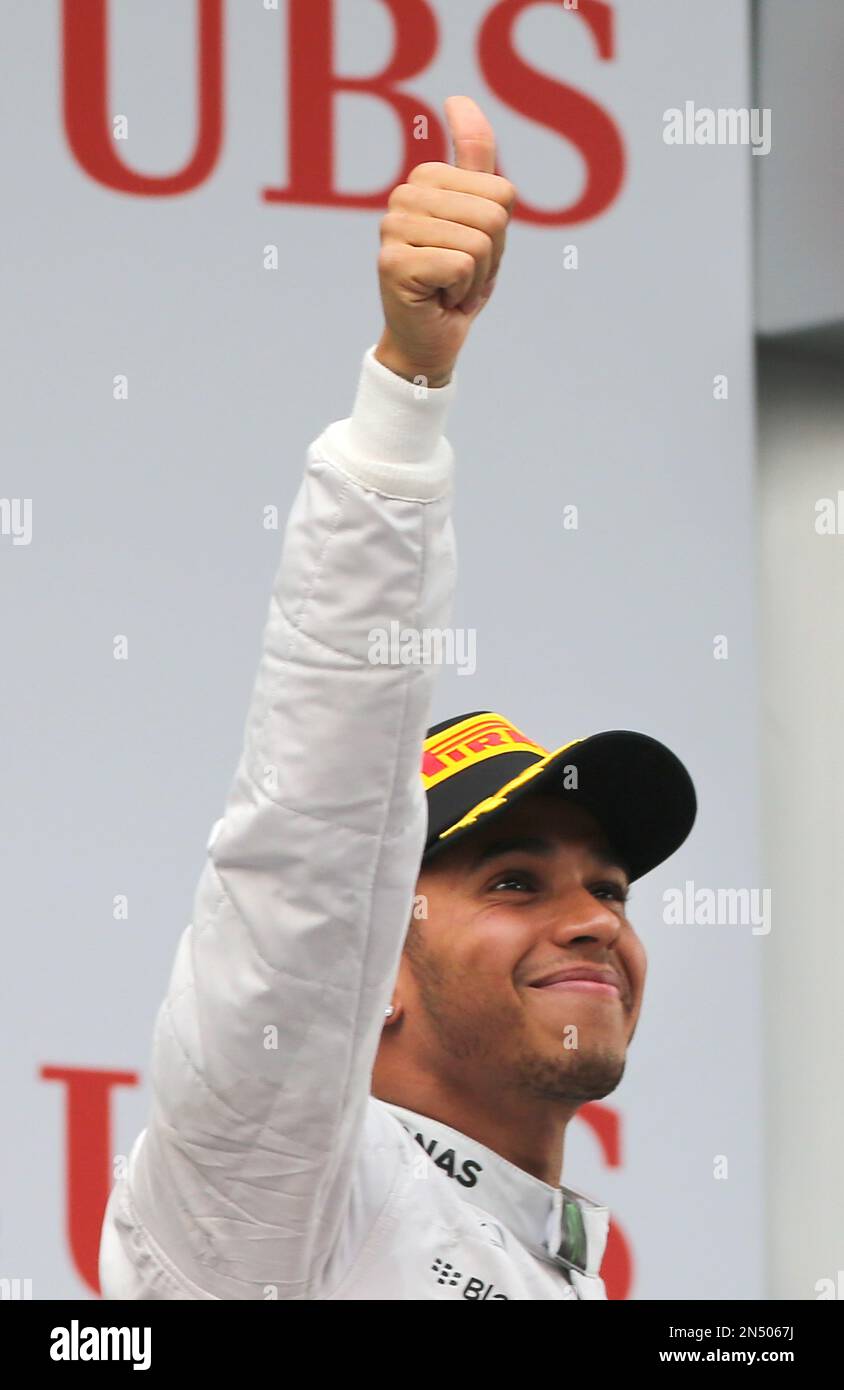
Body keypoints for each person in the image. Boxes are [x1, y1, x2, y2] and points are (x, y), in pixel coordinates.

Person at [99, 96, 695, 1302]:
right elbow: (315, 840)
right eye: (515, 880)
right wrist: (404, 400)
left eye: (610, 886)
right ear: (375, 970)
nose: (593, 921)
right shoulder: (281, 1197)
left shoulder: (556, 1265)